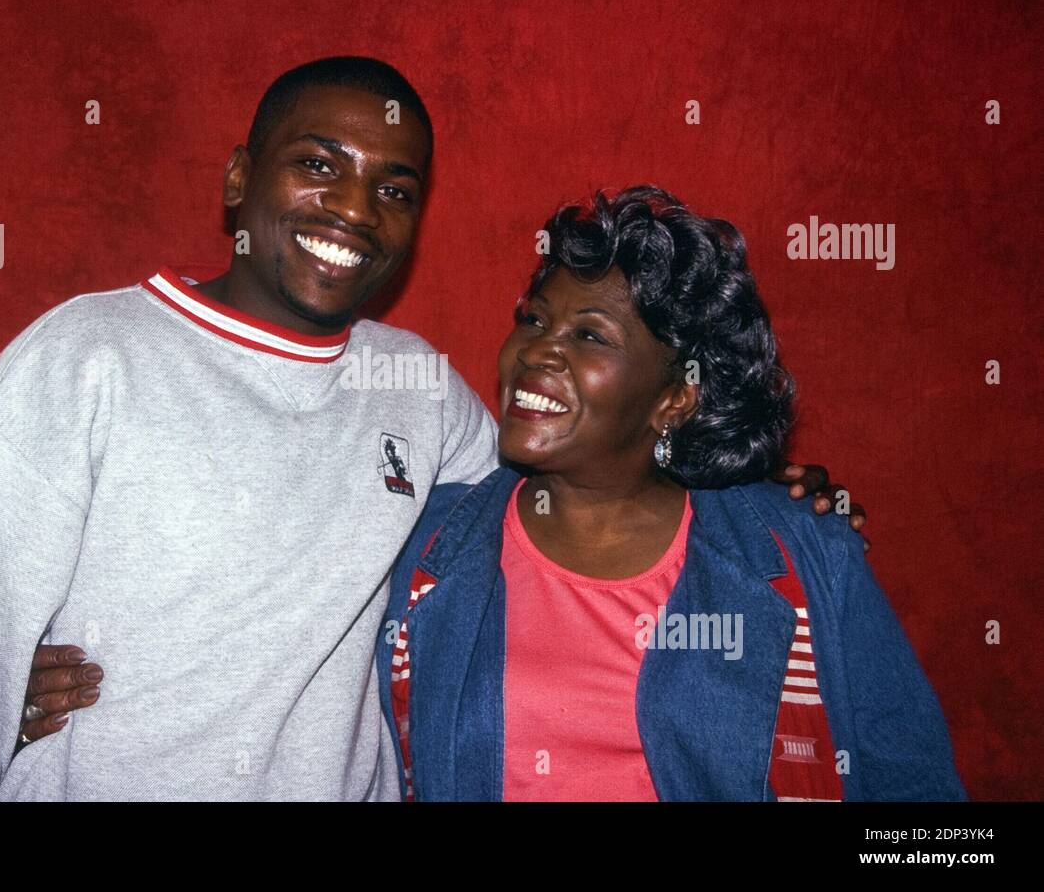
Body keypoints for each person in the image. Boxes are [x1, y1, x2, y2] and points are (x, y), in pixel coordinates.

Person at [0, 58, 858, 801]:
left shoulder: (413, 389)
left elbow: (572, 491)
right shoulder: (84, 357)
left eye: (393, 188)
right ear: (240, 178)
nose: (353, 209)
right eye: (319, 165)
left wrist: (742, 498)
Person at [374, 186, 964, 801]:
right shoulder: (422, 551)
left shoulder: (803, 555)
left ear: (675, 397)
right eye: (534, 319)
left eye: (591, 337)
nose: (538, 350)